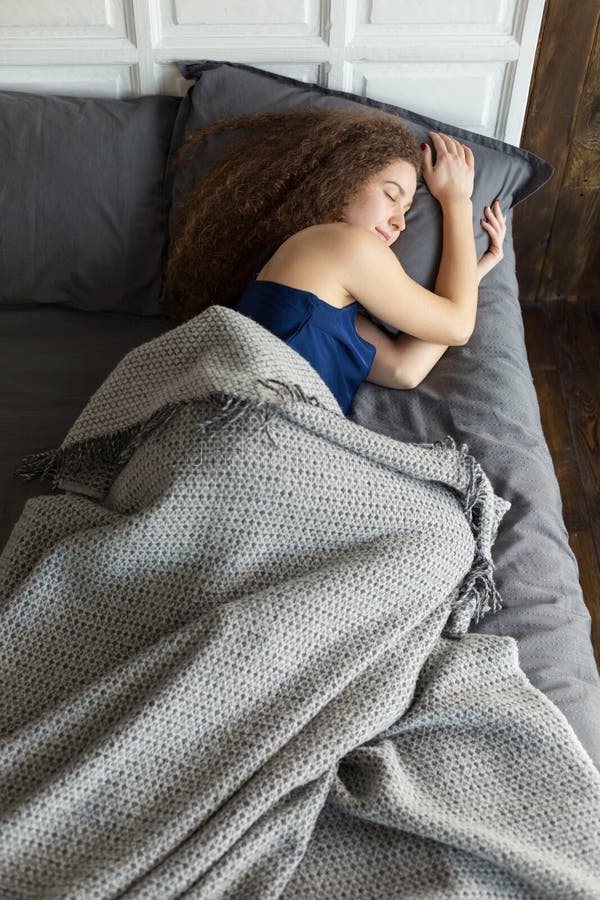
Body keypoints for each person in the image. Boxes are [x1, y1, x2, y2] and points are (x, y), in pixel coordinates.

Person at [165, 106, 506, 414]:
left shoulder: (322, 292)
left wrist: (470, 280)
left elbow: (405, 370)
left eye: (406, 211)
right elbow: (458, 326)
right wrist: (457, 200)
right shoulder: (345, 245)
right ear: (344, 182)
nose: (399, 223)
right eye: (391, 196)